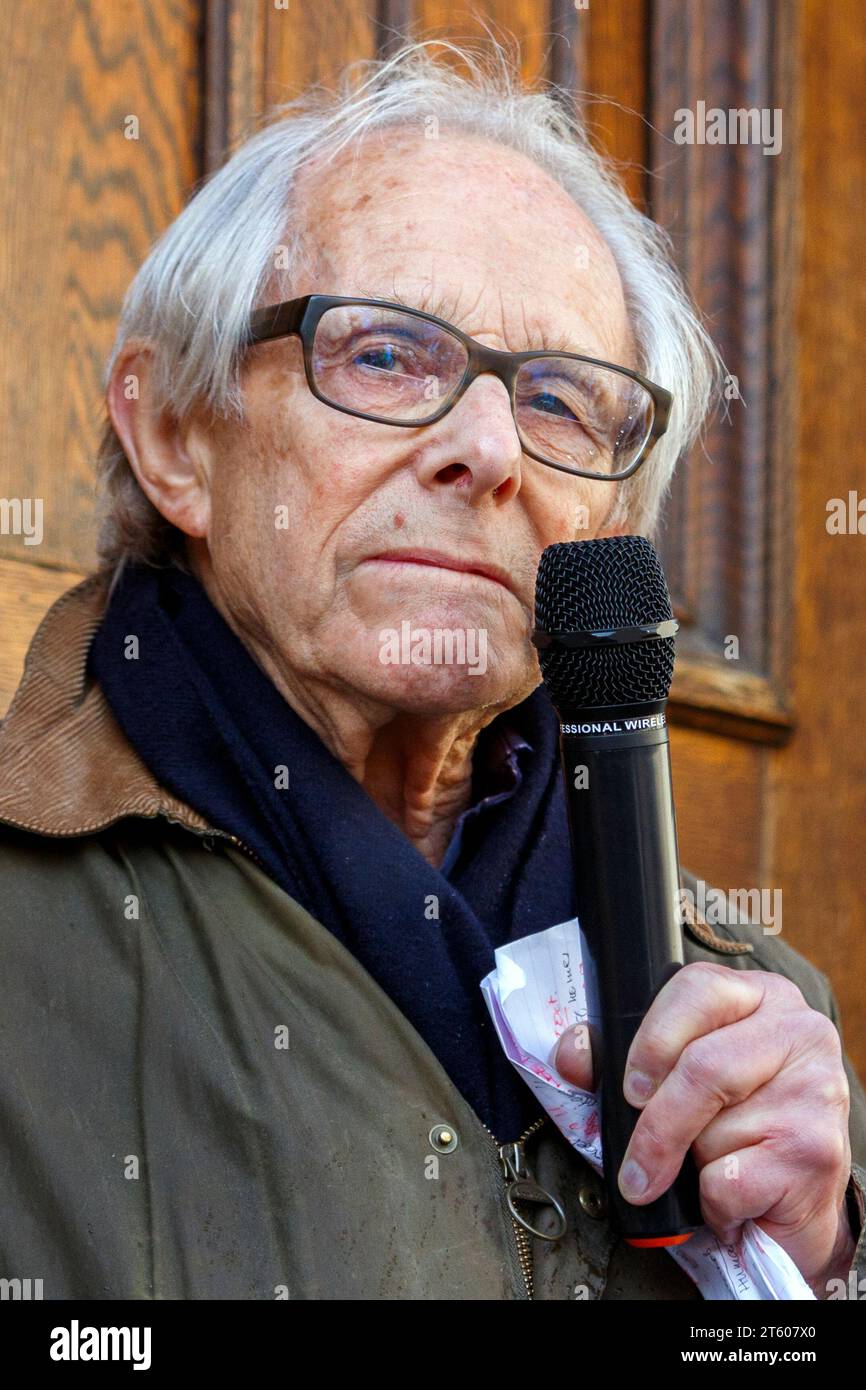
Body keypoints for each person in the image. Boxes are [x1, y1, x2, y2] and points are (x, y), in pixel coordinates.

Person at [0, 38, 863, 1300]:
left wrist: (820, 1266)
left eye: (562, 398)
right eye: (387, 353)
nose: (487, 448)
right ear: (179, 436)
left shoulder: (749, 1011)